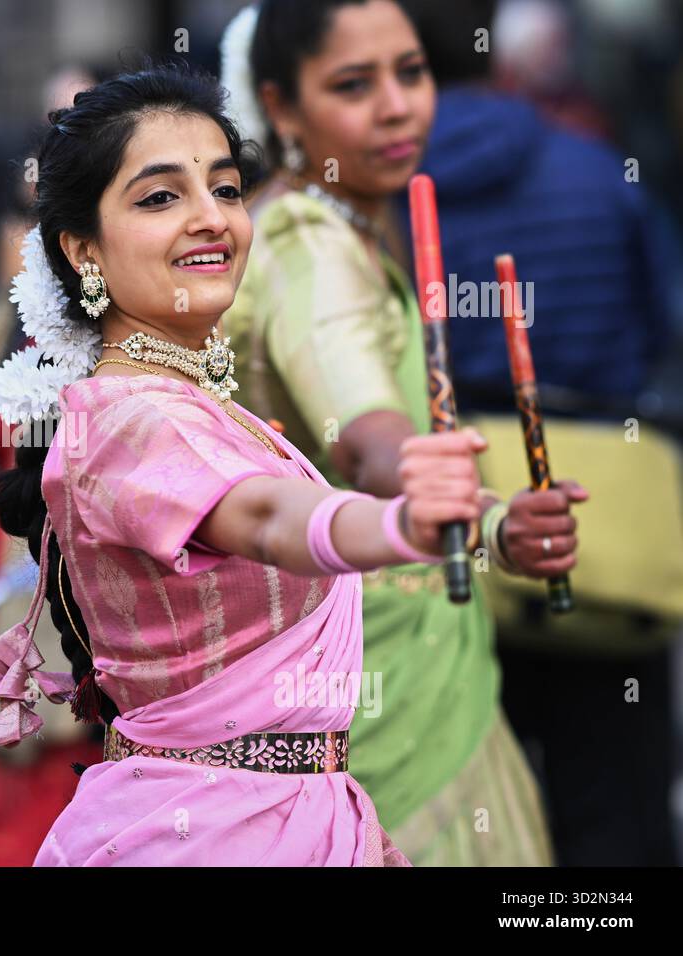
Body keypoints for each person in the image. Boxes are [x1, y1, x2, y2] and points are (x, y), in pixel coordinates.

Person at [0, 62, 497, 866]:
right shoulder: (127, 418)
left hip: (278, 822)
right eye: (159, 197)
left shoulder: (203, 410)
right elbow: (269, 518)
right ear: (83, 251)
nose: (211, 218)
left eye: (225, 188)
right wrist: (400, 522)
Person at [220, 0, 586, 865]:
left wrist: (489, 525)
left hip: (406, 660)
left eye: (410, 72)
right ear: (281, 107)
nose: (397, 107)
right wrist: (460, 502)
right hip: (365, 688)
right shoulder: (306, 239)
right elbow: (366, 438)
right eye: (354, 84)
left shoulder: (340, 216)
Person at [400, 0, 682, 866]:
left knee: (469, 806)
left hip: (441, 526)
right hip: (604, 525)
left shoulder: (377, 200)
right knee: (616, 798)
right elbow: (664, 322)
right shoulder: (596, 170)